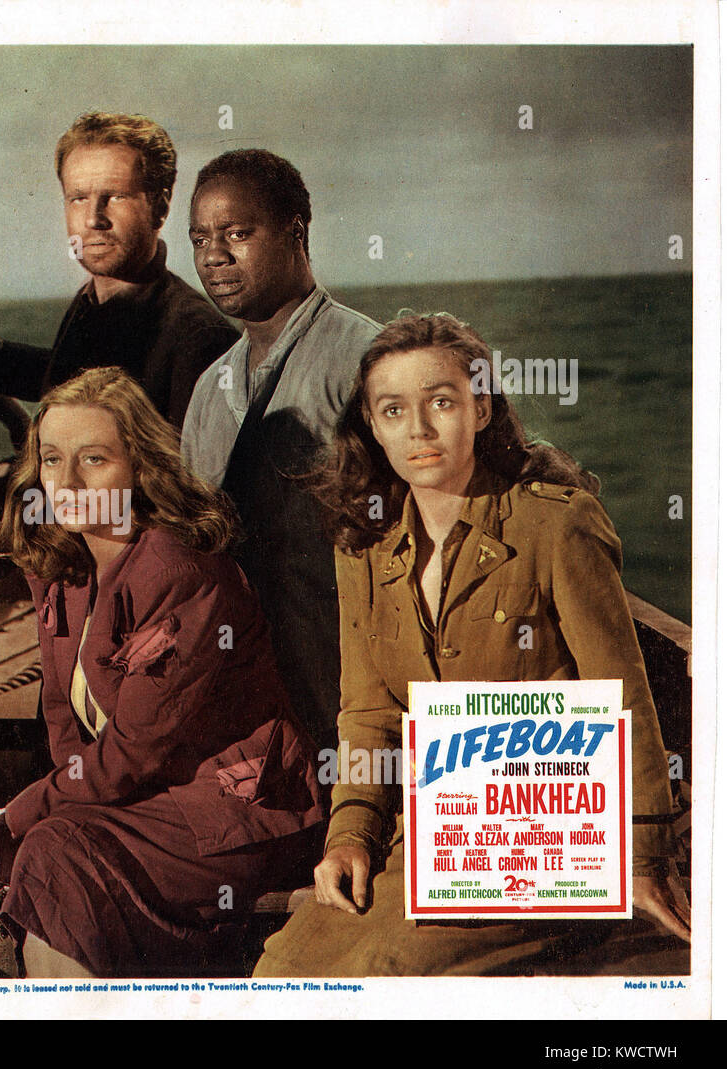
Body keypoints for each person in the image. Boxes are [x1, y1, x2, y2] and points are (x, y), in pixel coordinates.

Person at [254, 312, 690, 977]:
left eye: (442, 402)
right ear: (372, 426)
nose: (420, 430)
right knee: (282, 970)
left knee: (391, 972)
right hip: (434, 825)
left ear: (481, 408)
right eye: (394, 410)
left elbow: (623, 696)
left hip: (545, 831)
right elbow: (368, 713)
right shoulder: (364, 544)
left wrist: (646, 852)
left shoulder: (555, 525)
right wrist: (349, 835)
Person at [0, 367, 324, 977]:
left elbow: (133, 751)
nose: (64, 482)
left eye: (93, 459)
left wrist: (23, 811)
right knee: (50, 854)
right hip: (141, 804)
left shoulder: (177, 572)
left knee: (50, 855)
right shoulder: (61, 567)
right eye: (52, 459)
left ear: (139, 468)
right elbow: (65, 724)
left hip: (237, 812)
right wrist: (51, 806)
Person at [180, 149, 380, 755]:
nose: (214, 255)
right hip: (248, 687)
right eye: (199, 238)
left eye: (237, 233)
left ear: (296, 232)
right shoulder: (210, 389)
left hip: (353, 678)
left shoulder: (366, 356)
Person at [0, 112, 237, 429]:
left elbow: (191, 474)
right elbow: (76, 377)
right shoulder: (92, 301)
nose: (93, 219)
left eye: (115, 196)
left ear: (161, 207)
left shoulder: (200, 338)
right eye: (78, 198)